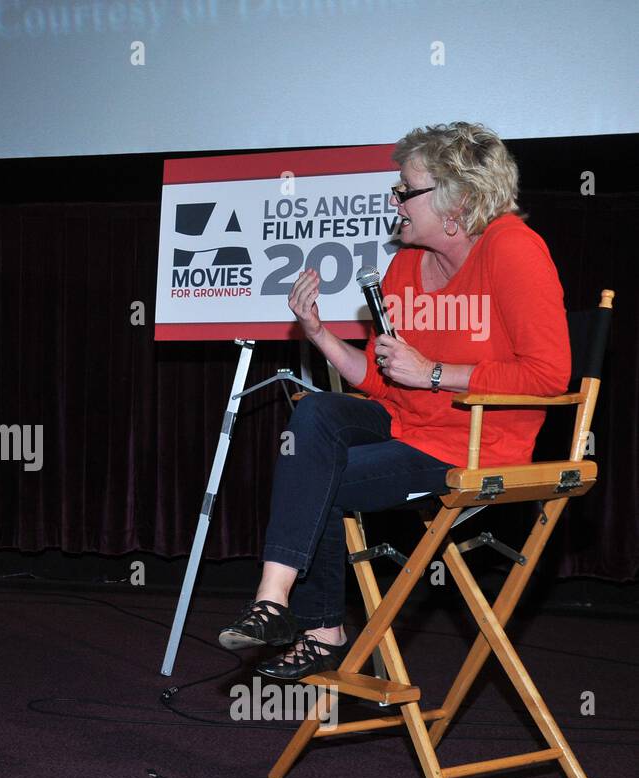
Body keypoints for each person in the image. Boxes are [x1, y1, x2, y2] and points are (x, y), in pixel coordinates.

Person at [218, 122, 570, 680]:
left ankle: (321, 630)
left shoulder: (513, 249)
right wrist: (319, 335)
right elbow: (383, 382)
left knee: (316, 479)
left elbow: (548, 375)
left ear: (459, 200)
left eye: (406, 190)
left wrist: (435, 373)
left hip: (477, 445)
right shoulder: (406, 262)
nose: (394, 201)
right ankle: (273, 599)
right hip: (406, 423)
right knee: (316, 412)